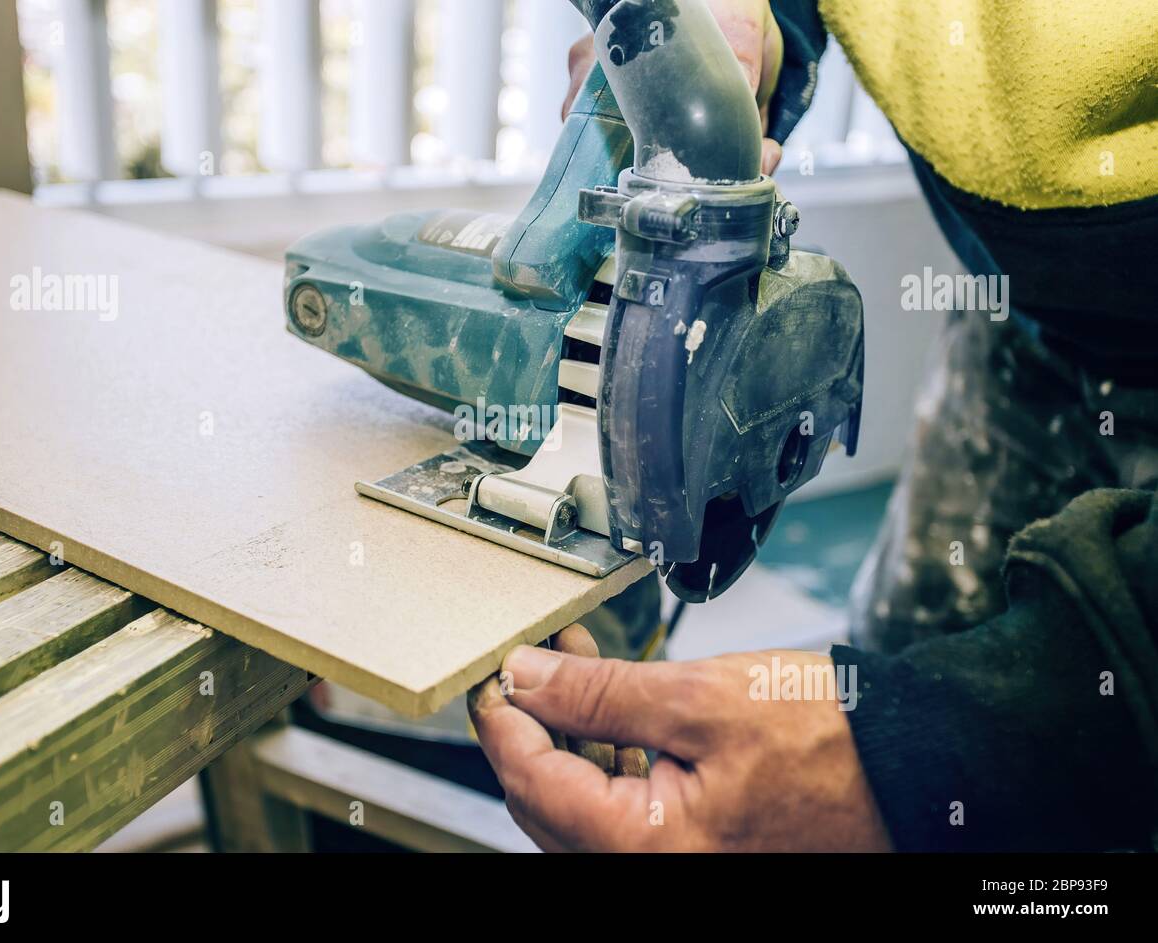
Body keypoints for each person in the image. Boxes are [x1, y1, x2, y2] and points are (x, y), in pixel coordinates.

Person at [469, 0, 1158, 852]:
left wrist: (935, 752)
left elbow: (981, 731)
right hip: (1023, 306)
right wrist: (748, 29)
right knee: (902, 650)